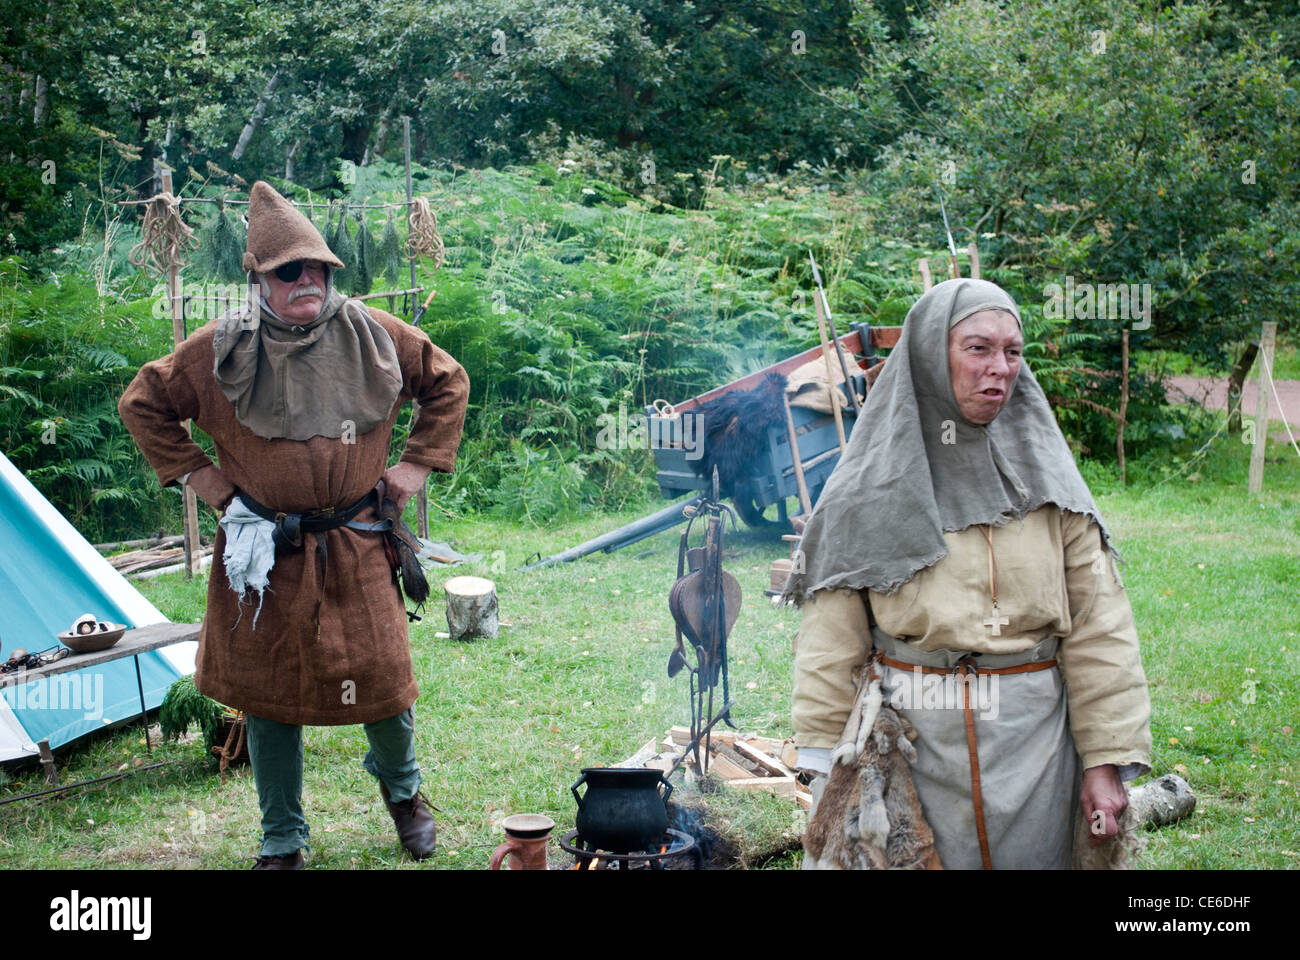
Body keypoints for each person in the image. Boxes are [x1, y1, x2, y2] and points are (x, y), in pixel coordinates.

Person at [119, 181, 469, 869]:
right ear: (260, 279)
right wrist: (205, 478)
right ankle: (283, 837)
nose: (307, 280)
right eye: (289, 271)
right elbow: (143, 402)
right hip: (264, 551)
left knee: (382, 681)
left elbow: (448, 382)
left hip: (359, 538)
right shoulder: (219, 349)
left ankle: (404, 794)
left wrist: (416, 467)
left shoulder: (375, 333)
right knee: (269, 693)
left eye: (318, 268)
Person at [785, 277, 1151, 869]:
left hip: (1036, 746)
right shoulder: (866, 490)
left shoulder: (1049, 482)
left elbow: (1098, 624)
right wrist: (826, 763)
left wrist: (1105, 759)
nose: (999, 367)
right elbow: (830, 642)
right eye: (977, 348)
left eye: (1012, 351)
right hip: (909, 745)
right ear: (932, 355)